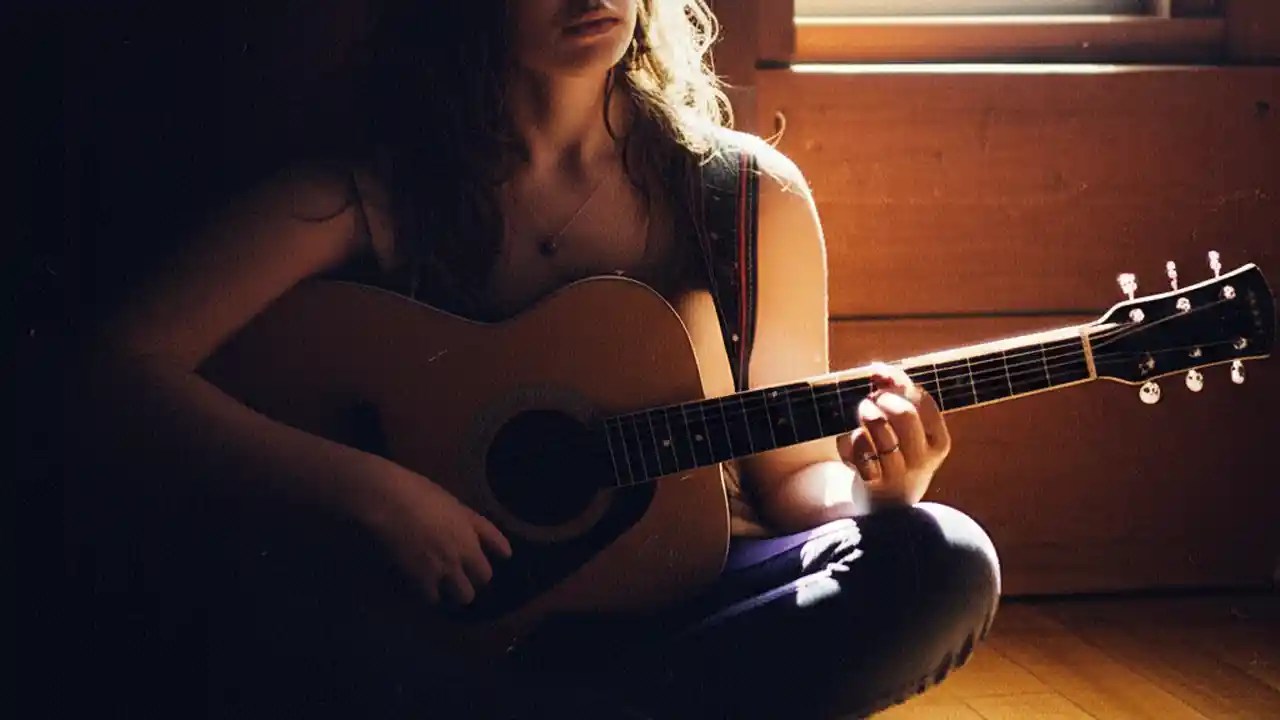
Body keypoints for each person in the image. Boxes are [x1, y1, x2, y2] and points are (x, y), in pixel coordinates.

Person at [71, 0, 1000, 717]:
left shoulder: (744, 198)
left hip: (682, 607)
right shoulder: (378, 194)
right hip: (435, 629)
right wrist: (373, 492)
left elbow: (792, 478)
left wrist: (879, 489)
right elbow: (118, 363)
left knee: (941, 556)